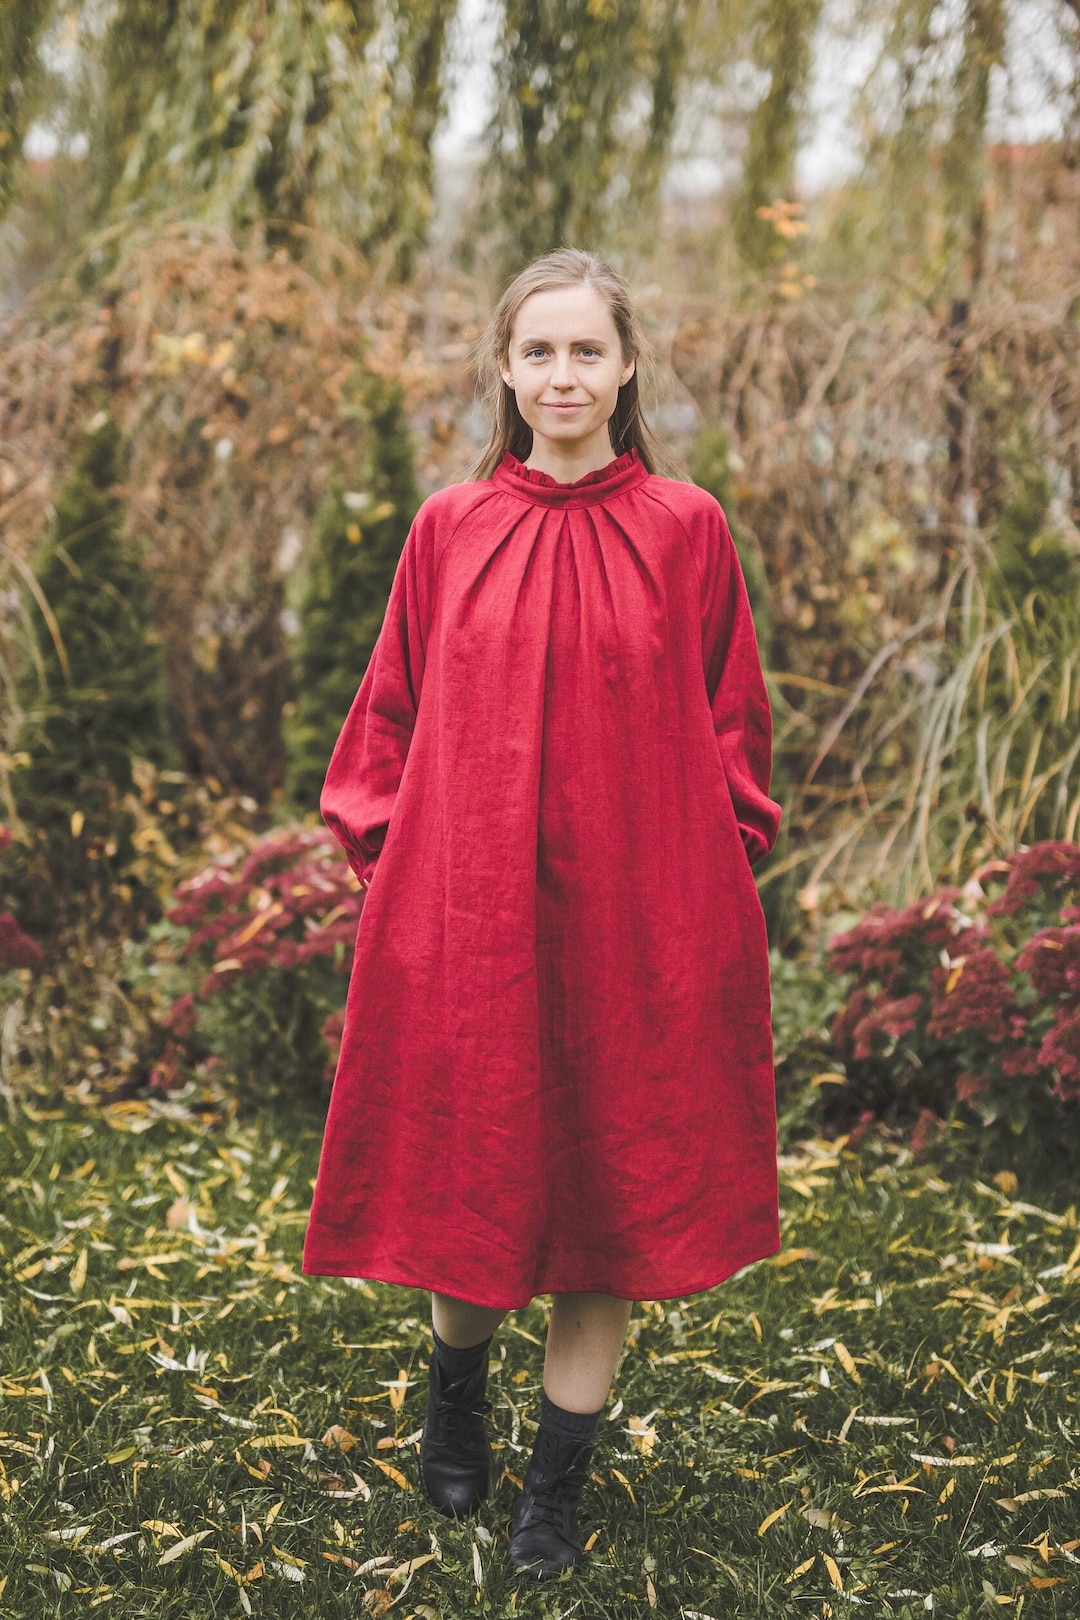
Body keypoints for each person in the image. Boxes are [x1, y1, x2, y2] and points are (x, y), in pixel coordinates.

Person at [302, 246, 783, 1581]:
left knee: (612, 1195)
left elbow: (732, 723)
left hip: (642, 923)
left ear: (627, 369)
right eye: (540, 352)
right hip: (475, 928)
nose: (563, 375)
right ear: (505, 372)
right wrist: (399, 858)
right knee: (479, 1182)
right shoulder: (449, 528)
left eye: (587, 351)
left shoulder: (690, 527)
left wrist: (713, 869)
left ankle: (552, 1490)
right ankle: (455, 1396)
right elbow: (388, 712)